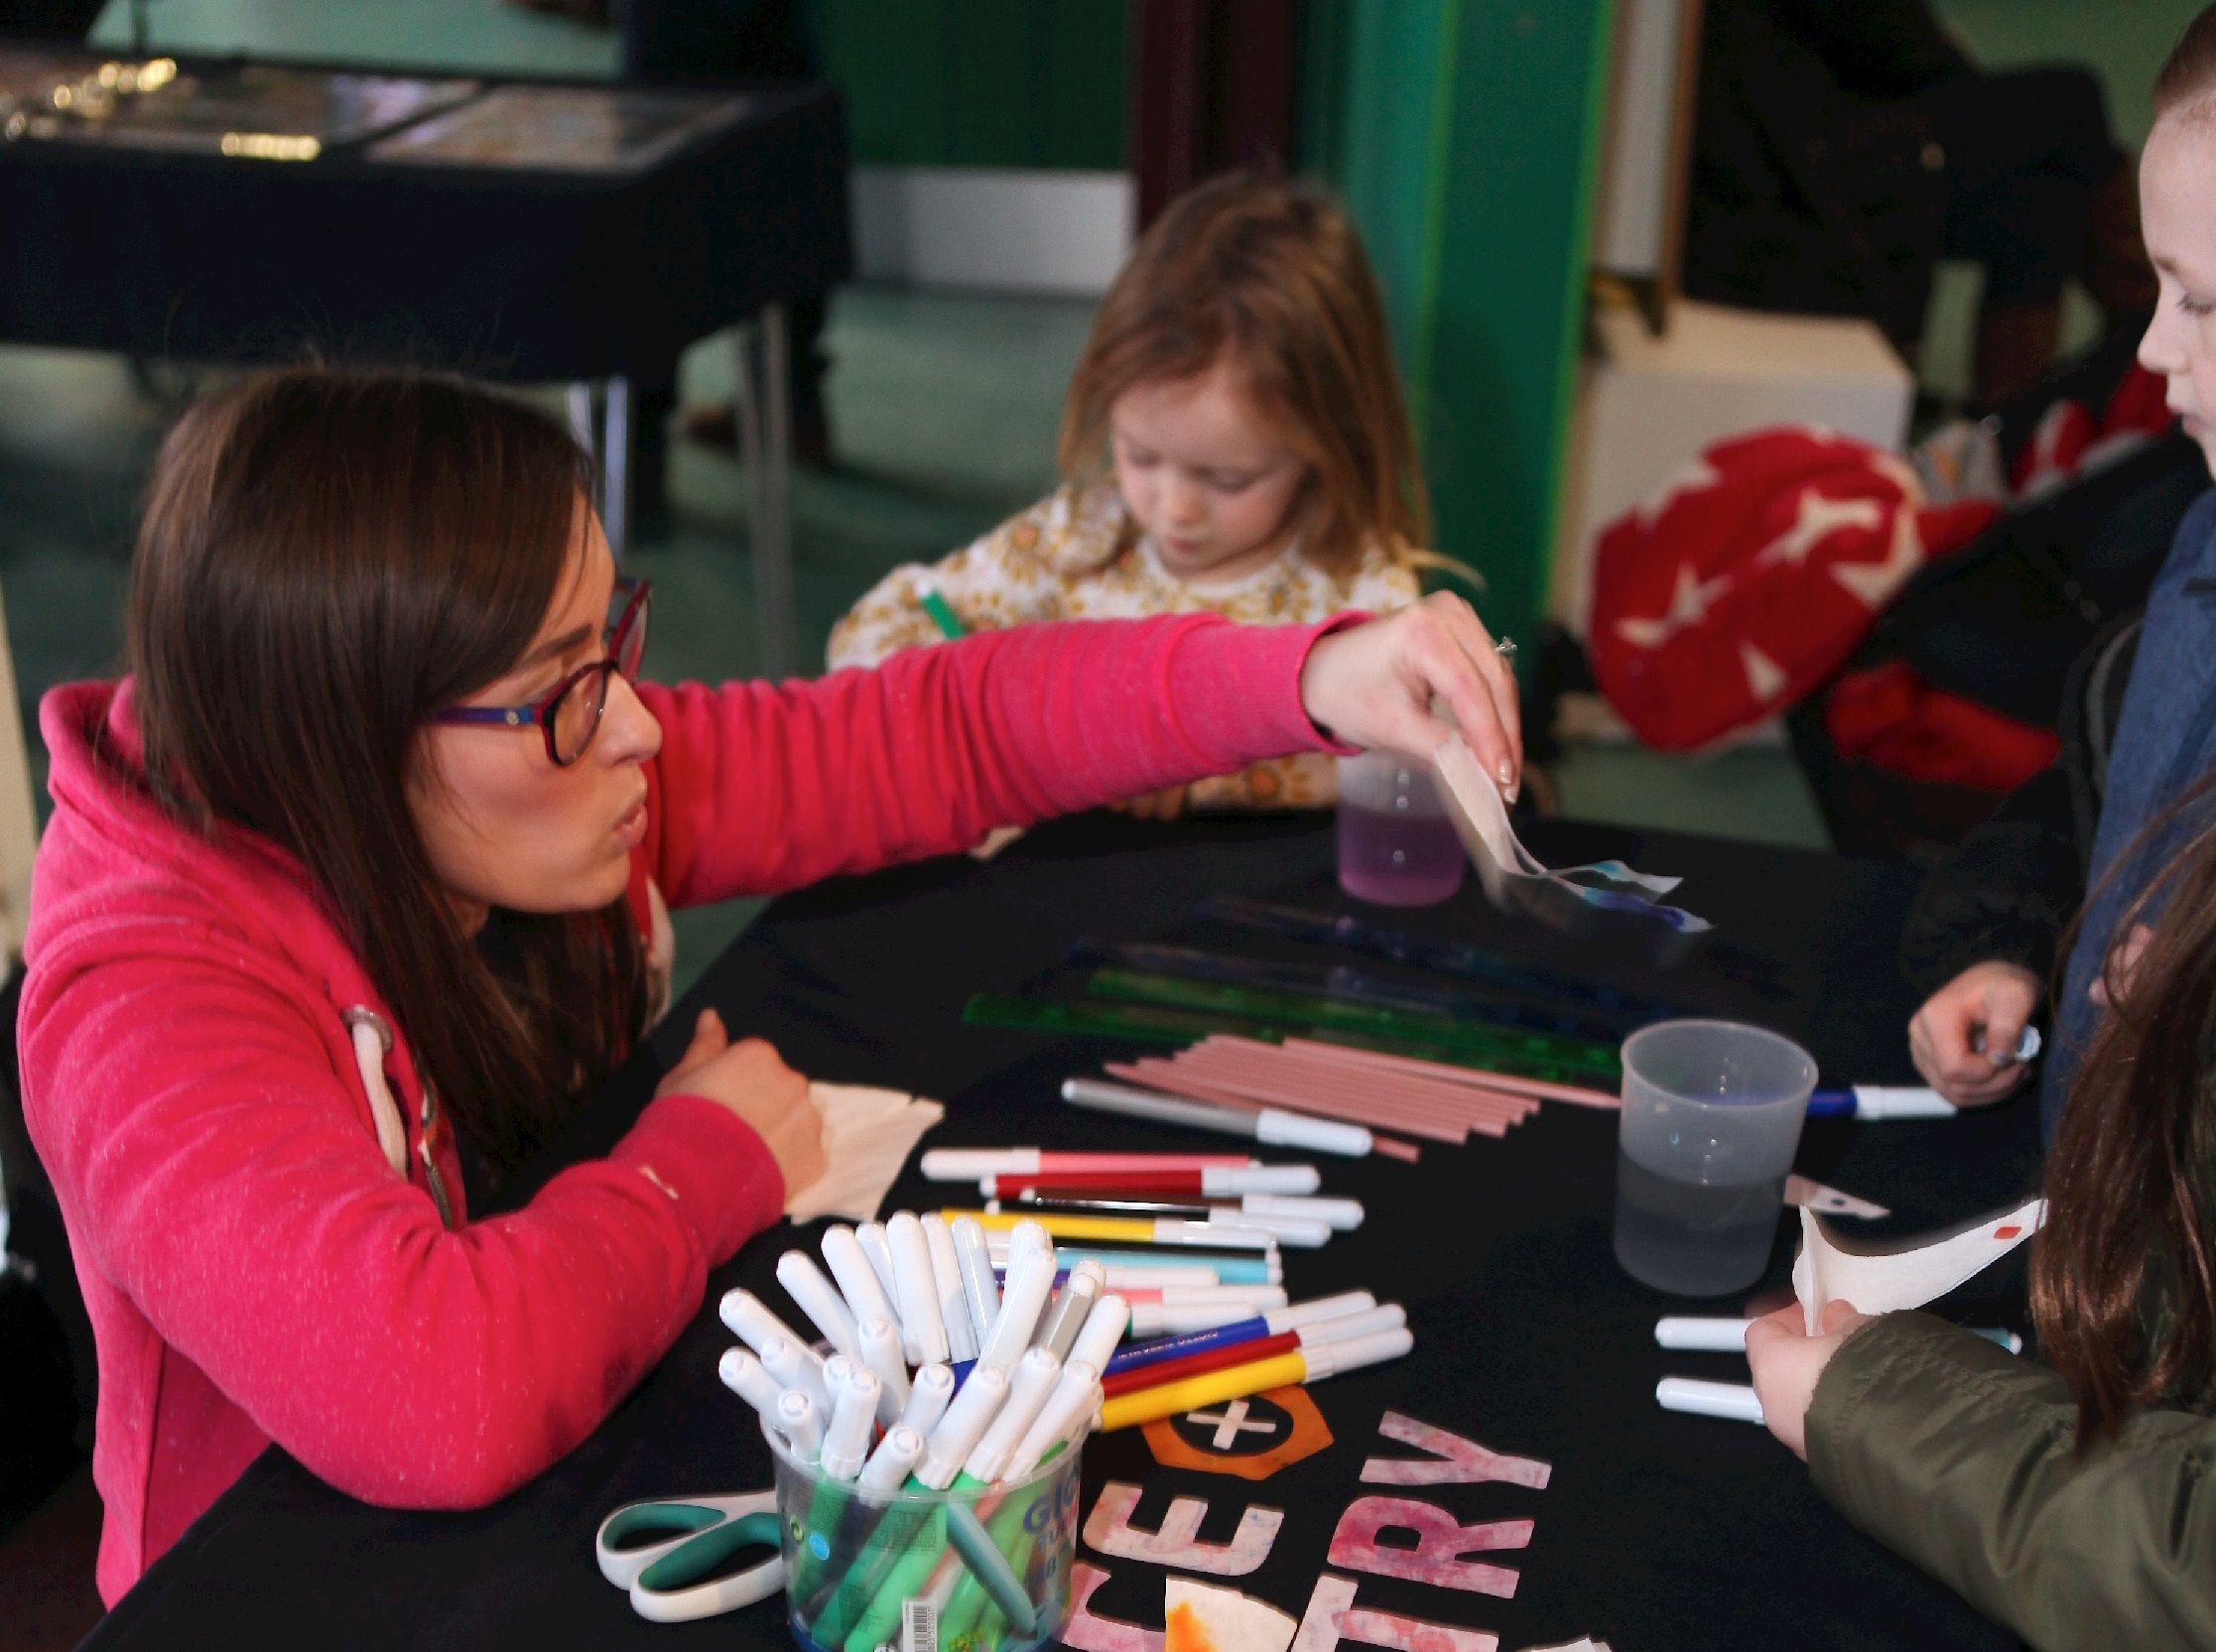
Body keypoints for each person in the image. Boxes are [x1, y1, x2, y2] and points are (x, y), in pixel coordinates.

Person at [18, 368, 1519, 1604]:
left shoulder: (504, 771)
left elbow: (937, 735)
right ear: (350, 734)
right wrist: (701, 1163)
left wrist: (1304, 679)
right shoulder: (147, 1002)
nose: (642, 736)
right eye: (564, 688)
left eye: (614, 641)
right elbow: (436, 1392)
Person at [1747, 16, 2216, 1641]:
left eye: (2206, 304)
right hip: (2100, 1315)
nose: (2151, 359)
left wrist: (1885, 1418)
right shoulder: (2199, 551)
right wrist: (2016, 928)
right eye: (2155, 287)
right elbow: (2105, 785)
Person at [827, 174, 1471, 816]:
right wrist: (1002, 731)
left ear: (1321, 440)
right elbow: (870, 631)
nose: (1173, 508)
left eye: (1226, 479)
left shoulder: (1357, 587)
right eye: (1138, 455)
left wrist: (1191, 766)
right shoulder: (1079, 536)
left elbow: (1415, 773)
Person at [1687, 0, 2155, 408]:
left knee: (2042, 202)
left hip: (1791, 148)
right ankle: (2150, 336)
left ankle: (2005, 431)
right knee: (2071, 104)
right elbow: (1898, 48)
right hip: (1811, 162)